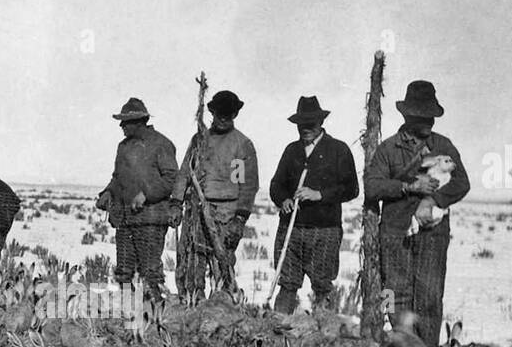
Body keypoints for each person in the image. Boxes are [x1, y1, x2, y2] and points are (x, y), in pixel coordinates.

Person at [363, 80, 470, 347]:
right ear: (408, 116)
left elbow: (462, 183)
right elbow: (372, 186)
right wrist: (408, 186)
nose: (429, 122)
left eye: (431, 116)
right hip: (395, 233)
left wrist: (432, 198)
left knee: (430, 297)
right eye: (423, 116)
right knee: (392, 293)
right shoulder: (388, 149)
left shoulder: (443, 146)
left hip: (433, 235)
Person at [267, 95, 359, 315]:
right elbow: (276, 184)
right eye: (301, 124)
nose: (305, 128)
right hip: (291, 230)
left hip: (324, 231)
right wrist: (284, 200)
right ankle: (280, 336)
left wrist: (320, 194)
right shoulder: (291, 151)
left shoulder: (339, 150)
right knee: (287, 284)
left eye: (311, 123)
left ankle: (323, 336)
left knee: (322, 288)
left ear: (321, 123)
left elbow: (351, 188)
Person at [171, 89, 258, 296]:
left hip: (225, 216)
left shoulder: (241, 145)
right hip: (196, 214)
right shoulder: (199, 140)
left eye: (228, 114)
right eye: (220, 114)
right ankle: (192, 307)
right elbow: (185, 172)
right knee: (192, 265)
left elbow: (247, 185)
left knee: (222, 266)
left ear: (235, 115)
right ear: (212, 113)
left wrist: (239, 219)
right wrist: (175, 202)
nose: (223, 119)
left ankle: (223, 310)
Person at [97, 98, 178, 300]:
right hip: (125, 220)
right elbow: (117, 178)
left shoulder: (162, 144)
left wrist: (146, 194)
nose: (121, 126)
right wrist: (107, 193)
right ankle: (130, 319)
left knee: (150, 275)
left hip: (150, 220)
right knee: (124, 273)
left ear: (139, 122)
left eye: (125, 122)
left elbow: (172, 178)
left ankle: (155, 320)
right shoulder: (123, 147)